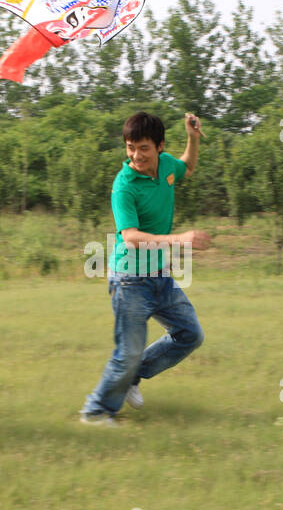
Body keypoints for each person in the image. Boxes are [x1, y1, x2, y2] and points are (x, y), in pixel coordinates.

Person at [79, 111, 211, 425]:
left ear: (159, 147)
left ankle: (131, 378)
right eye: (130, 148)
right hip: (130, 280)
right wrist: (181, 239)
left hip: (159, 275)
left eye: (143, 148)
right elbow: (132, 237)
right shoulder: (124, 185)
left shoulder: (166, 167)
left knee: (190, 334)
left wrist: (193, 138)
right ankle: (96, 412)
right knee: (127, 352)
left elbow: (188, 167)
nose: (136, 155)